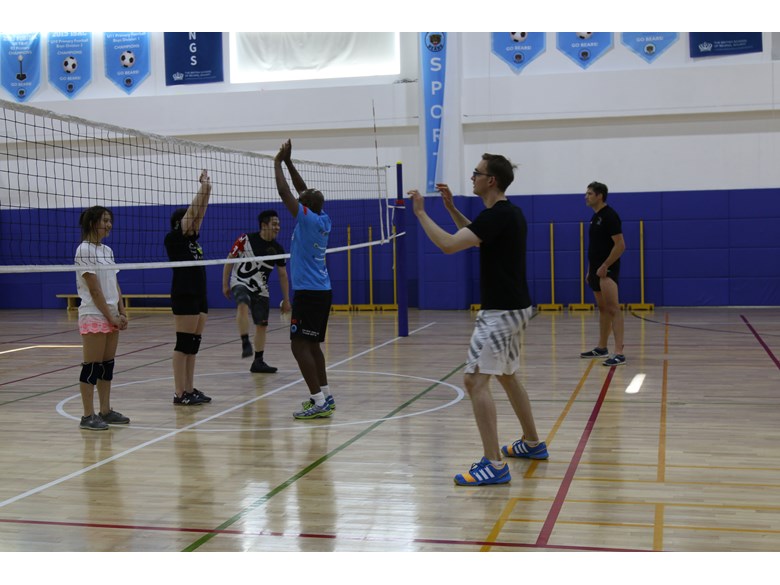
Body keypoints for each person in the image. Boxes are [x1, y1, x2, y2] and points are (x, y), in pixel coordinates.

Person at [408, 153, 548, 486]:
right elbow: (475, 233)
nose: (472, 177)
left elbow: (448, 245)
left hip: (500, 313)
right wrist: (451, 209)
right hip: (516, 308)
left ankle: (494, 464)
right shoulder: (505, 214)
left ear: (491, 181)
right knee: (507, 376)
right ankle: (532, 443)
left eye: (477, 173)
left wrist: (421, 213)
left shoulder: (498, 216)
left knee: (474, 381)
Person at [274, 139, 334, 420]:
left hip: (309, 293)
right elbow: (301, 191)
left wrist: (276, 163)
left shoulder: (308, 219)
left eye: (302, 201)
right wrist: (289, 162)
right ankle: (325, 396)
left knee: (299, 346)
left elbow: (287, 192)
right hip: (321, 291)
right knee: (312, 346)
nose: (299, 199)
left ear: (306, 206)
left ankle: (318, 400)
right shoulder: (323, 218)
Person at [75, 206, 130, 431]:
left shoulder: (107, 250)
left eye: (110, 220)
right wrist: (111, 317)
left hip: (111, 315)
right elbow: (95, 290)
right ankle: (88, 415)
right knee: (92, 367)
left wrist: (122, 311)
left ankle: (105, 411)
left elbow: (114, 284)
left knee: (107, 366)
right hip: (94, 314)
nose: (109, 225)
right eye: (104, 220)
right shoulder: (84, 250)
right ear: (92, 223)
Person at [165, 169, 213, 405]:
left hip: (199, 295)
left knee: (193, 345)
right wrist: (201, 188)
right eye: (190, 221)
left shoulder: (193, 239)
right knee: (183, 343)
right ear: (180, 224)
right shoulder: (174, 238)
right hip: (184, 295)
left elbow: (199, 212)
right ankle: (179, 392)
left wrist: (209, 189)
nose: (196, 223)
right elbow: (194, 211)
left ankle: (190, 388)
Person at [222, 209, 291, 373]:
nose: (278, 227)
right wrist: (225, 284)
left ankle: (258, 361)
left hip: (260, 289)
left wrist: (286, 300)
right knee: (243, 304)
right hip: (240, 281)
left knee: (262, 325)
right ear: (263, 225)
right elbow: (229, 260)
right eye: (274, 224)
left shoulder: (278, 249)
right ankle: (245, 340)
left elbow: (282, 275)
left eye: (279, 224)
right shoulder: (245, 240)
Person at [579, 181, 626, 367]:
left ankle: (620, 353)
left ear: (600, 196)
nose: (586, 196)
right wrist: (590, 270)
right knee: (603, 309)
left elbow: (620, 245)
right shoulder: (595, 217)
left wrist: (606, 265)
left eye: (589, 193)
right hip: (596, 271)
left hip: (607, 271)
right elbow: (595, 248)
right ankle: (602, 348)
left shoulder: (610, 216)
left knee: (613, 309)